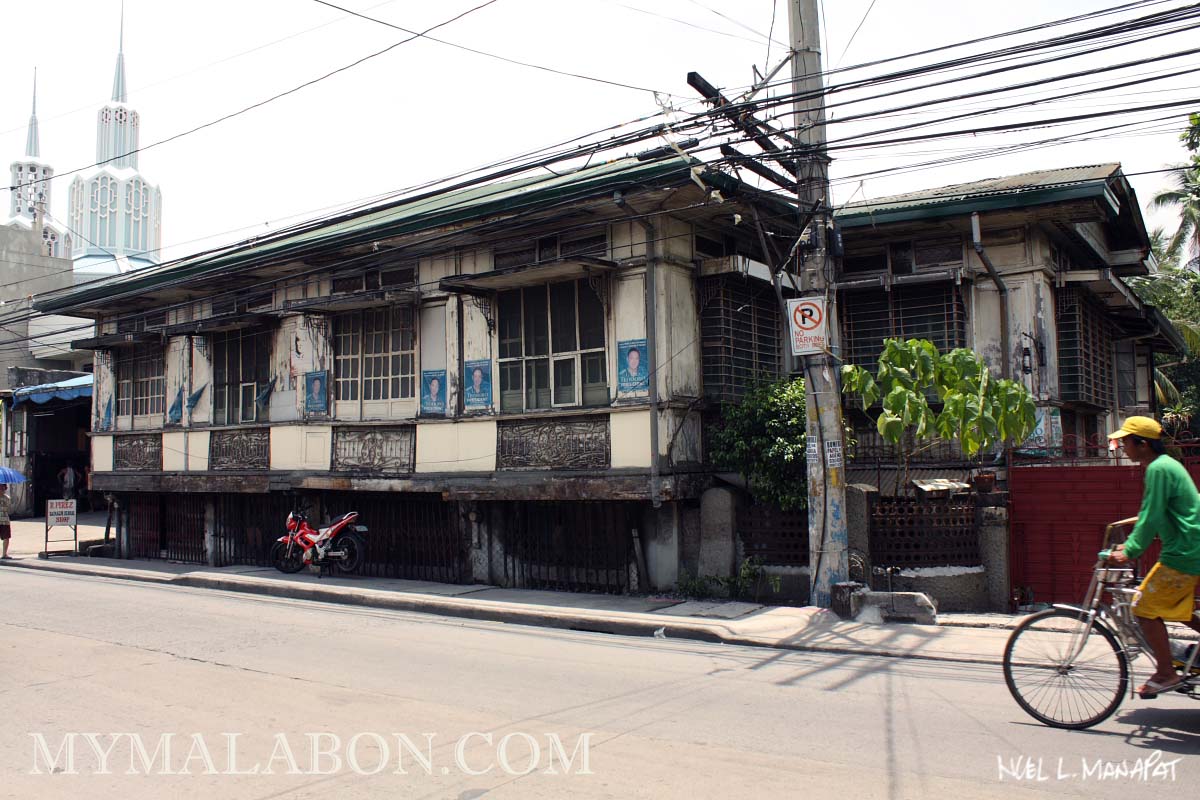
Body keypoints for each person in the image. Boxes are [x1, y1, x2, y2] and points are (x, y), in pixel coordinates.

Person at [1107, 416, 1200, 695]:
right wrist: (1130, 545)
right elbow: (1152, 514)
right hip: (1189, 547)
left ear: (1143, 444)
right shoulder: (1166, 466)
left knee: (1144, 609)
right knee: (1179, 610)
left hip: (1184, 552)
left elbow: (1151, 514)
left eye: (1126, 441)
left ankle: (1165, 673)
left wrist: (1131, 550)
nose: (1123, 447)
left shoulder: (1158, 469)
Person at [0, 483, 11, 559]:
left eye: (3, 488)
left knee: (6, 537)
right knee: (6, 537)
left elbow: (8, 508)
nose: (2, 490)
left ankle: (4, 554)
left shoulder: (7, 498)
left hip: (5, 520)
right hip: (4, 520)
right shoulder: (7, 498)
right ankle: (4, 554)